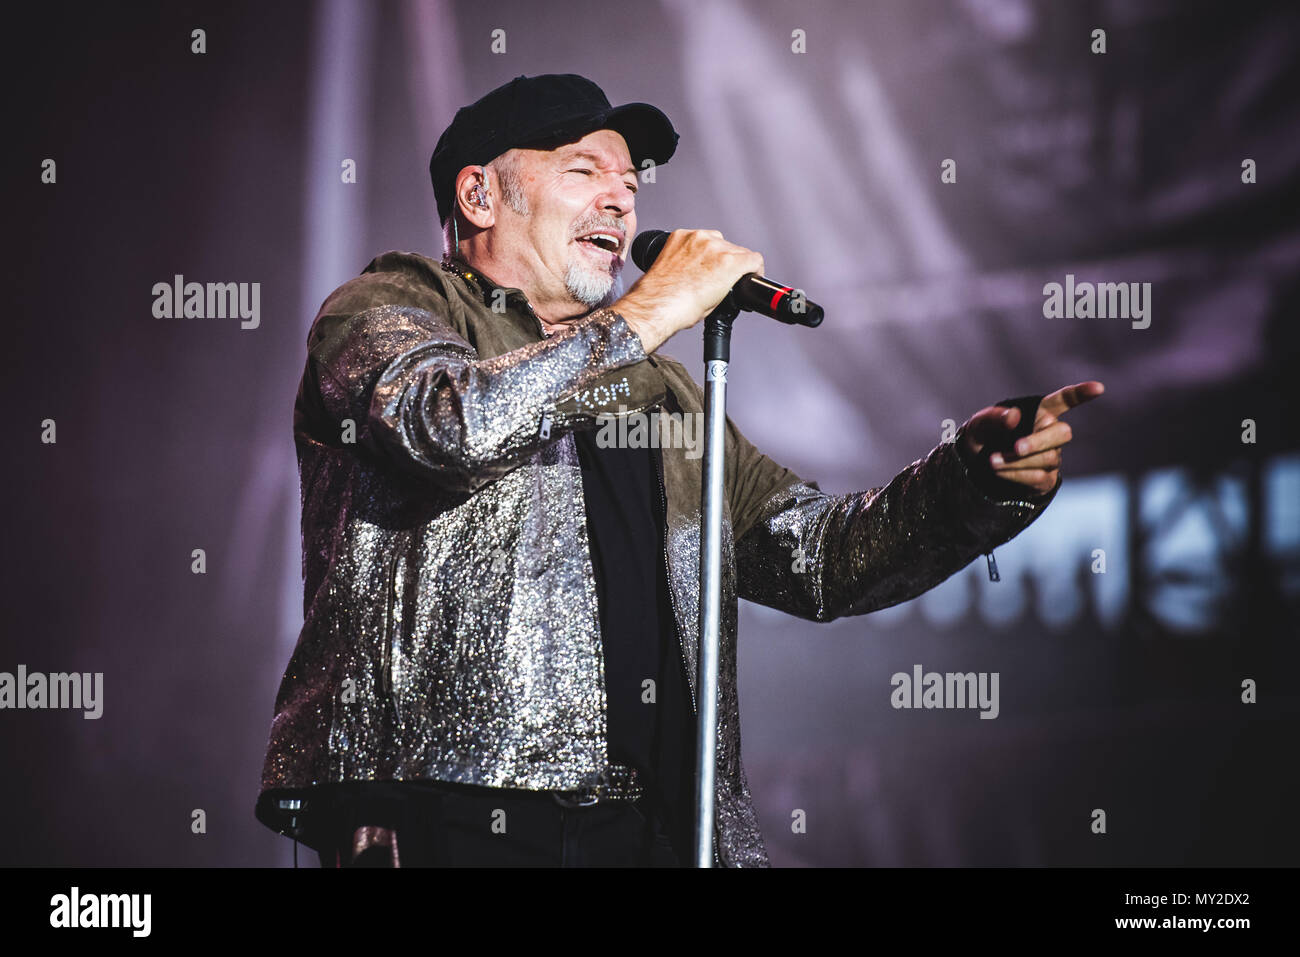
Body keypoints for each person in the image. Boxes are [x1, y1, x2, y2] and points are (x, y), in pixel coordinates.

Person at [253, 73, 1103, 868]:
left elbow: (823, 557)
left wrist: (973, 480)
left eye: (631, 180)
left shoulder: (659, 391)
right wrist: (653, 310)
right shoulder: (391, 307)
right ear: (480, 195)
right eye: (585, 169)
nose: (621, 198)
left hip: (660, 825)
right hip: (456, 809)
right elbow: (450, 424)